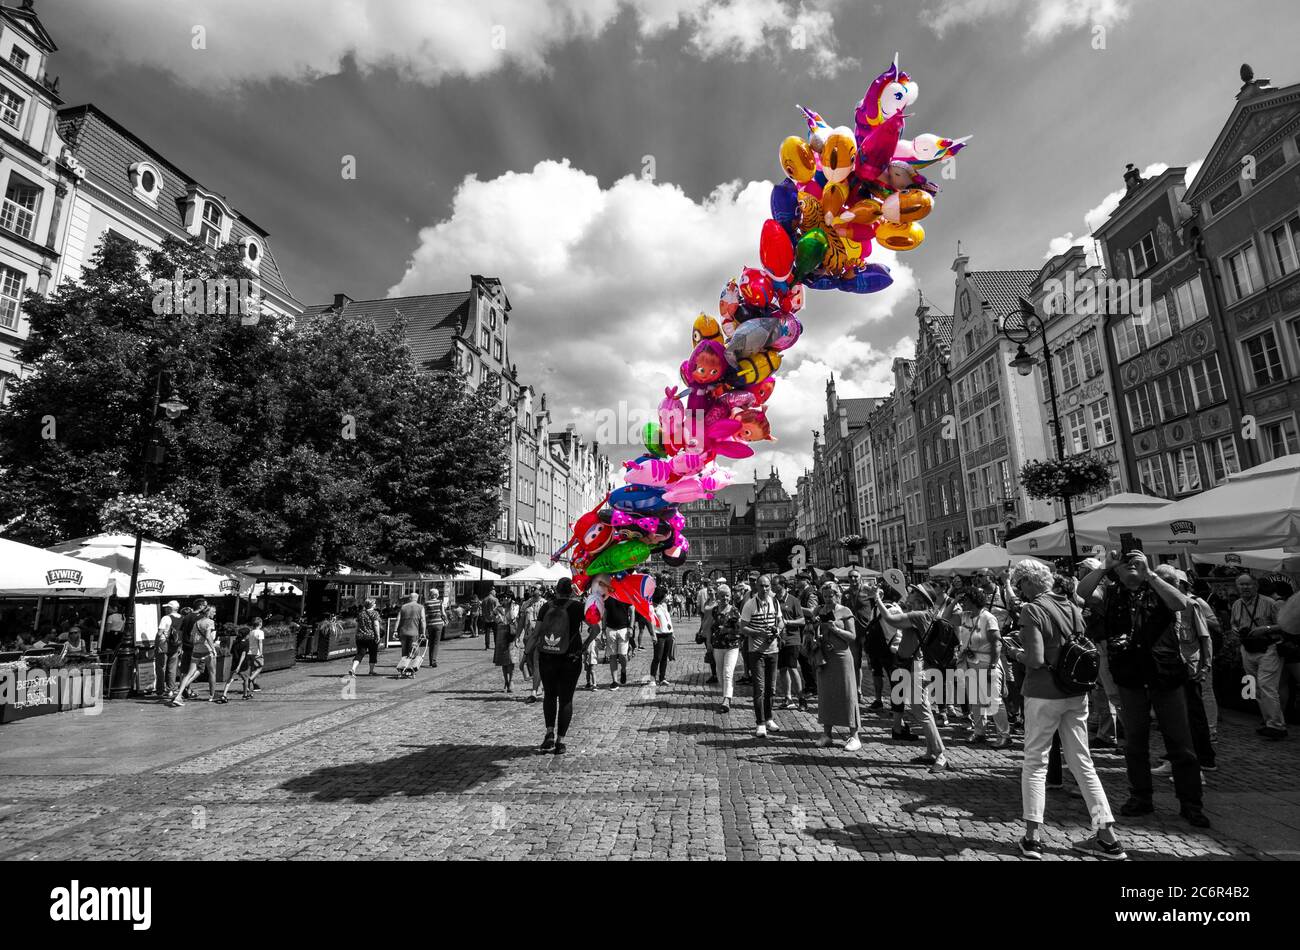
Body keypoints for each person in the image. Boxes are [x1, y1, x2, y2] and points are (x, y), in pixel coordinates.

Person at [1003, 559, 1127, 860]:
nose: (1019, 591)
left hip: (1044, 693)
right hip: (1075, 692)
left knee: (1035, 762)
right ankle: (1107, 836)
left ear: (1030, 582)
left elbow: (1034, 659)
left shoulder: (1033, 610)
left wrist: (1014, 652)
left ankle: (1032, 838)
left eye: (1020, 585)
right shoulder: (1071, 606)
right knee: (1083, 763)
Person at [1078, 549, 1209, 827]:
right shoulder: (1111, 594)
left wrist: (1150, 573)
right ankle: (1141, 797)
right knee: (1135, 743)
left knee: (1181, 744)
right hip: (1131, 676)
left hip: (1165, 674)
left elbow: (1180, 603)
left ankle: (1191, 803)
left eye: (1134, 563)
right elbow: (1083, 590)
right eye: (1126, 565)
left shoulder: (1158, 590)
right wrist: (1104, 567)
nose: (1131, 568)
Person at [876, 581, 951, 772]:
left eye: (912, 592)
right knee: (924, 710)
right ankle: (930, 752)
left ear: (919, 599)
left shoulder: (919, 615)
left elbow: (891, 620)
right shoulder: (925, 614)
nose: (908, 593)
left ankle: (940, 755)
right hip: (919, 666)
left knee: (921, 712)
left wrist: (877, 599)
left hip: (916, 667)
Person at [1153, 566, 1216, 774]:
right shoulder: (1157, 604)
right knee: (1174, 717)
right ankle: (1178, 758)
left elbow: (1205, 637)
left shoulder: (1191, 604)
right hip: (1168, 666)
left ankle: (1202, 760)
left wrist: (1206, 665)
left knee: (1193, 715)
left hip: (1189, 666)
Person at [534, 578, 599, 754]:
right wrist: (584, 646)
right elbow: (595, 629)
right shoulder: (579, 607)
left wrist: (527, 654)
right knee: (566, 699)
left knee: (549, 695)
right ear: (571, 591)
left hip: (547, 657)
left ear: (556, 590)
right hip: (571, 658)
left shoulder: (546, 607)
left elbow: (536, 633)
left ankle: (549, 732)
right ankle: (560, 741)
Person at [1229, 573, 1287, 740]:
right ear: (1237, 586)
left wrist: (1266, 628)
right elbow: (1234, 623)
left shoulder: (1270, 603)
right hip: (1247, 649)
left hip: (1269, 648)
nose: (1245, 587)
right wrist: (1234, 629)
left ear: (1256, 586)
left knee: (1266, 685)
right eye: (1241, 584)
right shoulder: (1237, 604)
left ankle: (1277, 726)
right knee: (1255, 687)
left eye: (1248, 584)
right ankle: (1268, 721)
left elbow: (1284, 625)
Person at [956, 587, 1010, 747]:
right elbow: (945, 617)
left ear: (973, 601)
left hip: (987, 662)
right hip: (970, 662)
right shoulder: (965, 616)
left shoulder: (988, 617)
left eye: (965, 600)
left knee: (994, 700)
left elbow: (997, 643)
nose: (962, 603)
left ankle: (1004, 735)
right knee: (976, 699)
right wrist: (954, 599)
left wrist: (992, 666)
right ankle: (979, 732)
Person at [813, 582, 862, 751]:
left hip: (841, 657)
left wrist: (835, 629)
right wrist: (814, 630)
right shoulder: (819, 611)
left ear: (837, 595)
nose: (827, 599)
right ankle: (827, 734)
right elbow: (811, 631)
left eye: (830, 596)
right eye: (825, 596)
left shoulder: (845, 611)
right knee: (826, 694)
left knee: (847, 694)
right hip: (824, 657)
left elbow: (852, 637)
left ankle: (854, 735)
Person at [740, 574, 784, 738]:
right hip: (756, 651)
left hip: (773, 650)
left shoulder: (775, 602)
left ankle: (769, 718)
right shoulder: (750, 605)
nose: (765, 589)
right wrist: (759, 633)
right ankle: (760, 722)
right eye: (761, 586)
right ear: (756, 587)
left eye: (767, 586)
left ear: (770, 587)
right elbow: (743, 628)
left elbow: (780, 621)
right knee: (759, 689)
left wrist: (777, 630)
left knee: (771, 688)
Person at [773, 575, 807, 711]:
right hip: (778, 639)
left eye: (775, 584)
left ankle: (801, 699)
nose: (773, 587)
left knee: (792, 667)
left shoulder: (793, 600)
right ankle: (787, 698)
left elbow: (802, 620)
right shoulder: (773, 600)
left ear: (782, 585)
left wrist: (787, 622)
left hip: (792, 638)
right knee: (782, 669)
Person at [172, 606, 218, 706]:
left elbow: (192, 637)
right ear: (209, 612)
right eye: (213, 612)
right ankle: (212, 696)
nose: (214, 614)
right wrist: (213, 648)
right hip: (207, 650)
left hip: (196, 650)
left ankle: (179, 695)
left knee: (189, 673)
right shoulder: (210, 622)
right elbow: (208, 636)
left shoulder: (197, 622)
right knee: (212, 672)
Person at [710, 583, 743, 713]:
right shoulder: (715, 610)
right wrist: (708, 641)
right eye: (723, 596)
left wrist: (726, 629)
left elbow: (740, 629)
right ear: (718, 596)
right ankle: (727, 694)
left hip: (732, 645)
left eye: (727, 596)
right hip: (718, 645)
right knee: (719, 673)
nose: (725, 598)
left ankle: (726, 699)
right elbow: (711, 626)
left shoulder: (734, 610)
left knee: (728, 672)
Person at [844, 570, 874, 704]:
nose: (853, 578)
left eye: (855, 576)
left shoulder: (868, 591)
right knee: (856, 663)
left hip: (866, 631)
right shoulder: (845, 594)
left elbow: (877, 606)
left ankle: (877, 695)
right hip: (852, 632)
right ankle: (858, 691)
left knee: (872, 663)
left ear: (860, 578)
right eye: (850, 576)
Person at [518, 588, 546, 703]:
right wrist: (517, 636)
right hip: (528, 636)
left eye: (538, 589)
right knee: (530, 662)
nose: (535, 591)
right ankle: (537, 684)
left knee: (537, 662)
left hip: (541, 637)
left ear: (542, 592)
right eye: (534, 589)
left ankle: (537, 687)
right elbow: (521, 621)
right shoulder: (526, 604)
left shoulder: (545, 604)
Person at [604, 595, 633, 690]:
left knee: (622, 655)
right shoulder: (607, 596)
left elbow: (632, 611)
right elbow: (605, 613)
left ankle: (623, 670)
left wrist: (631, 627)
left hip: (623, 629)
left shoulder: (626, 595)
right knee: (612, 655)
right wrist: (603, 629)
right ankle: (615, 681)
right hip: (610, 629)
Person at [154, 600, 180, 702]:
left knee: (161, 668)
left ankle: (160, 690)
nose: (166, 609)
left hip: (164, 644)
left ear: (171, 608)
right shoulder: (182, 618)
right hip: (175, 645)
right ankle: (171, 690)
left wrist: (156, 645)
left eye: (167, 607)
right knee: (172, 669)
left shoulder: (166, 618)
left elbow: (160, 632)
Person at [217, 625, 251, 703]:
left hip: (234, 662)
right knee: (245, 679)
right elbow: (243, 655)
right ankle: (245, 694)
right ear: (246, 635)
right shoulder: (246, 643)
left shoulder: (235, 642)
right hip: (242, 664)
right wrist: (239, 666)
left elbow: (232, 652)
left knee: (230, 679)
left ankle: (224, 694)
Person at [349, 598, 382, 678]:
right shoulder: (374, 613)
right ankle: (371, 671)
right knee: (373, 653)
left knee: (360, 653)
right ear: (372, 605)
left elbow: (357, 625)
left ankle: (353, 669)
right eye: (374, 603)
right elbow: (376, 625)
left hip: (360, 636)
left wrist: (356, 634)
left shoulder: (360, 613)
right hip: (371, 636)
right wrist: (378, 635)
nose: (375, 605)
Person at [395, 592, 426, 675]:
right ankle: (411, 670)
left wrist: (395, 631)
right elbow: (423, 620)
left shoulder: (403, 607)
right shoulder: (420, 607)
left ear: (409, 598)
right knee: (414, 652)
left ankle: (403, 669)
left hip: (403, 632)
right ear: (417, 598)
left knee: (404, 652)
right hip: (414, 633)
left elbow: (398, 619)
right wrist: (423, 632)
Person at [493, 594, 519, 693]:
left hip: (511, 633)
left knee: (511, 659)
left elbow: (513, 618)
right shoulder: (497, 608)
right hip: (501, 633)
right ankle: (506, 681)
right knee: (503, 660)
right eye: (504, 597)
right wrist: (499, 617)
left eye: (508, 597)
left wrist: (510, 608)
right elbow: (497, 620)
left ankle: (511, 680)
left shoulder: (515, 607)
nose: (506, 599)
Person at [650, 587, 674, 686]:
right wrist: (653, 635)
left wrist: (673, 633)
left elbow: (669, 620)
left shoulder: (663, 605)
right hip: (659, 635)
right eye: (664, 595)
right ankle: (652, 678)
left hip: (668, 634)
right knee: (657, 658)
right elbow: (651, 622)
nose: (666, 597)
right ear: (660, 596)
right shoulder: (652, 607)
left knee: (665, 657)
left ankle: (662, 678)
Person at [698, 582, 718, 683]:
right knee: (710, 653)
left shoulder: (718, 603)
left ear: (715, 591)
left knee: (716, 653)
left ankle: (719, 673)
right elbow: (704, 617)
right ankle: (714, 674)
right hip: (706, 630)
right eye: (708, 590)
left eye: (711, 590)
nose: (709, 592)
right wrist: (700, 630)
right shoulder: (706, 602)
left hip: (715, 630)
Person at [424, 587, 448, 668]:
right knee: (436, 643)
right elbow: (443, 613)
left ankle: (431, 660)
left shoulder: (426, 603)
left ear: (430, 595)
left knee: (431, 643)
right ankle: (433, 661)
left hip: (430, 624)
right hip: (438, 624)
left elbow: (425, 615)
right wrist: (446, 621)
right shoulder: (440, 602)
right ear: (437, 595)